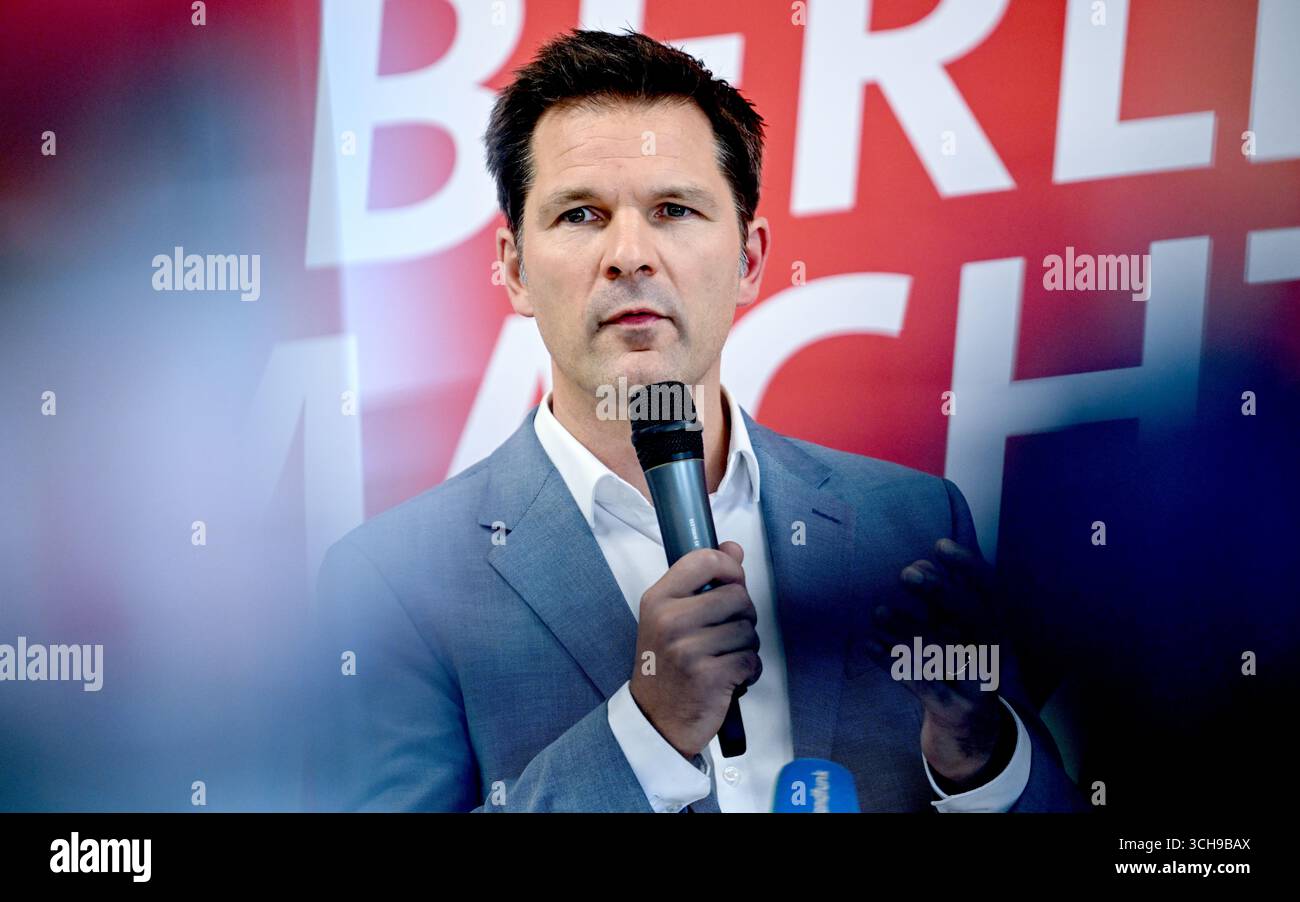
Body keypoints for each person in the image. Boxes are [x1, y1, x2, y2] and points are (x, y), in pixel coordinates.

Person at [311, 28, 1084, 813]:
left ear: (750, 259)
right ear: (514, 269)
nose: (630, 255)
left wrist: (979, 754)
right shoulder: (392, 583)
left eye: (674, 209)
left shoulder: (914, 521)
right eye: (581, 215)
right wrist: (647, 733)